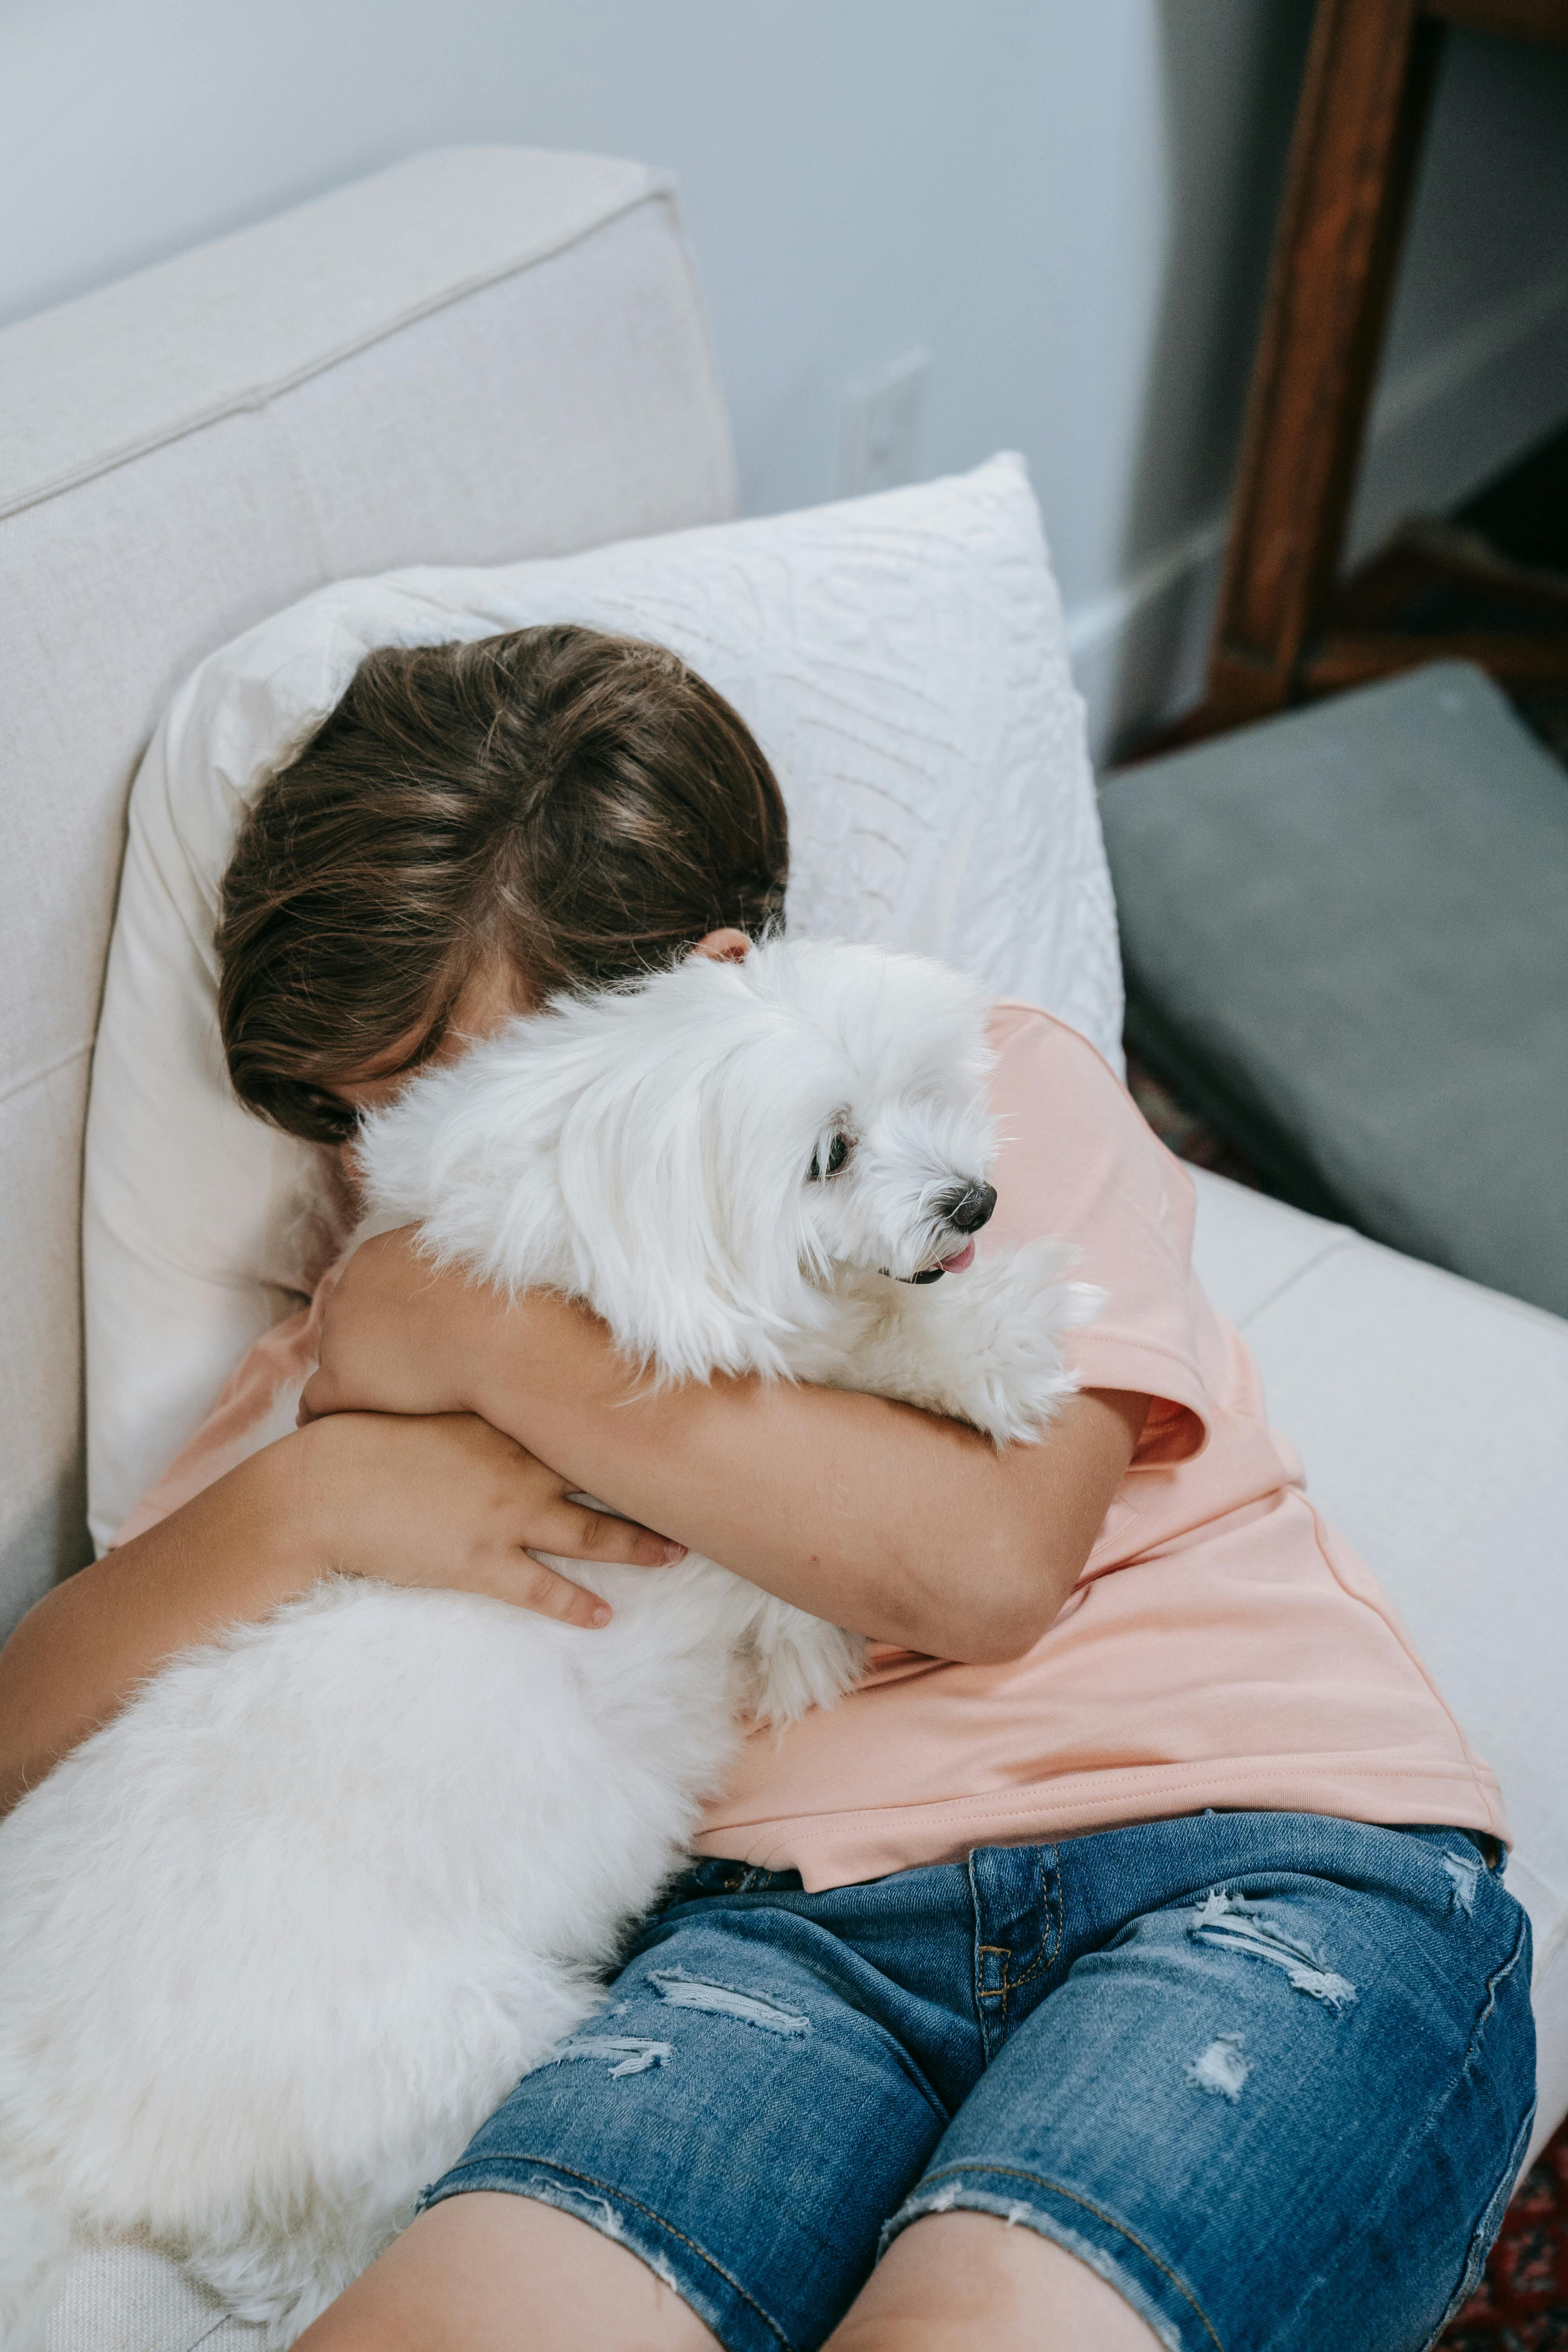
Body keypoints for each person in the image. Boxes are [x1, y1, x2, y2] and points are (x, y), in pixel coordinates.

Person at [0, 626, 1535, 2352]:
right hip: (757, 1957)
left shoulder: (966, 1093)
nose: (398, 1165)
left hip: (1241, 1854)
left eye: (458, 1082)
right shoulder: (358, 1337)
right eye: (356, 1112)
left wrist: (493, 1346)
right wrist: (302, 1503)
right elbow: (29, 1734)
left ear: (712, 1004)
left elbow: (983, 1562)